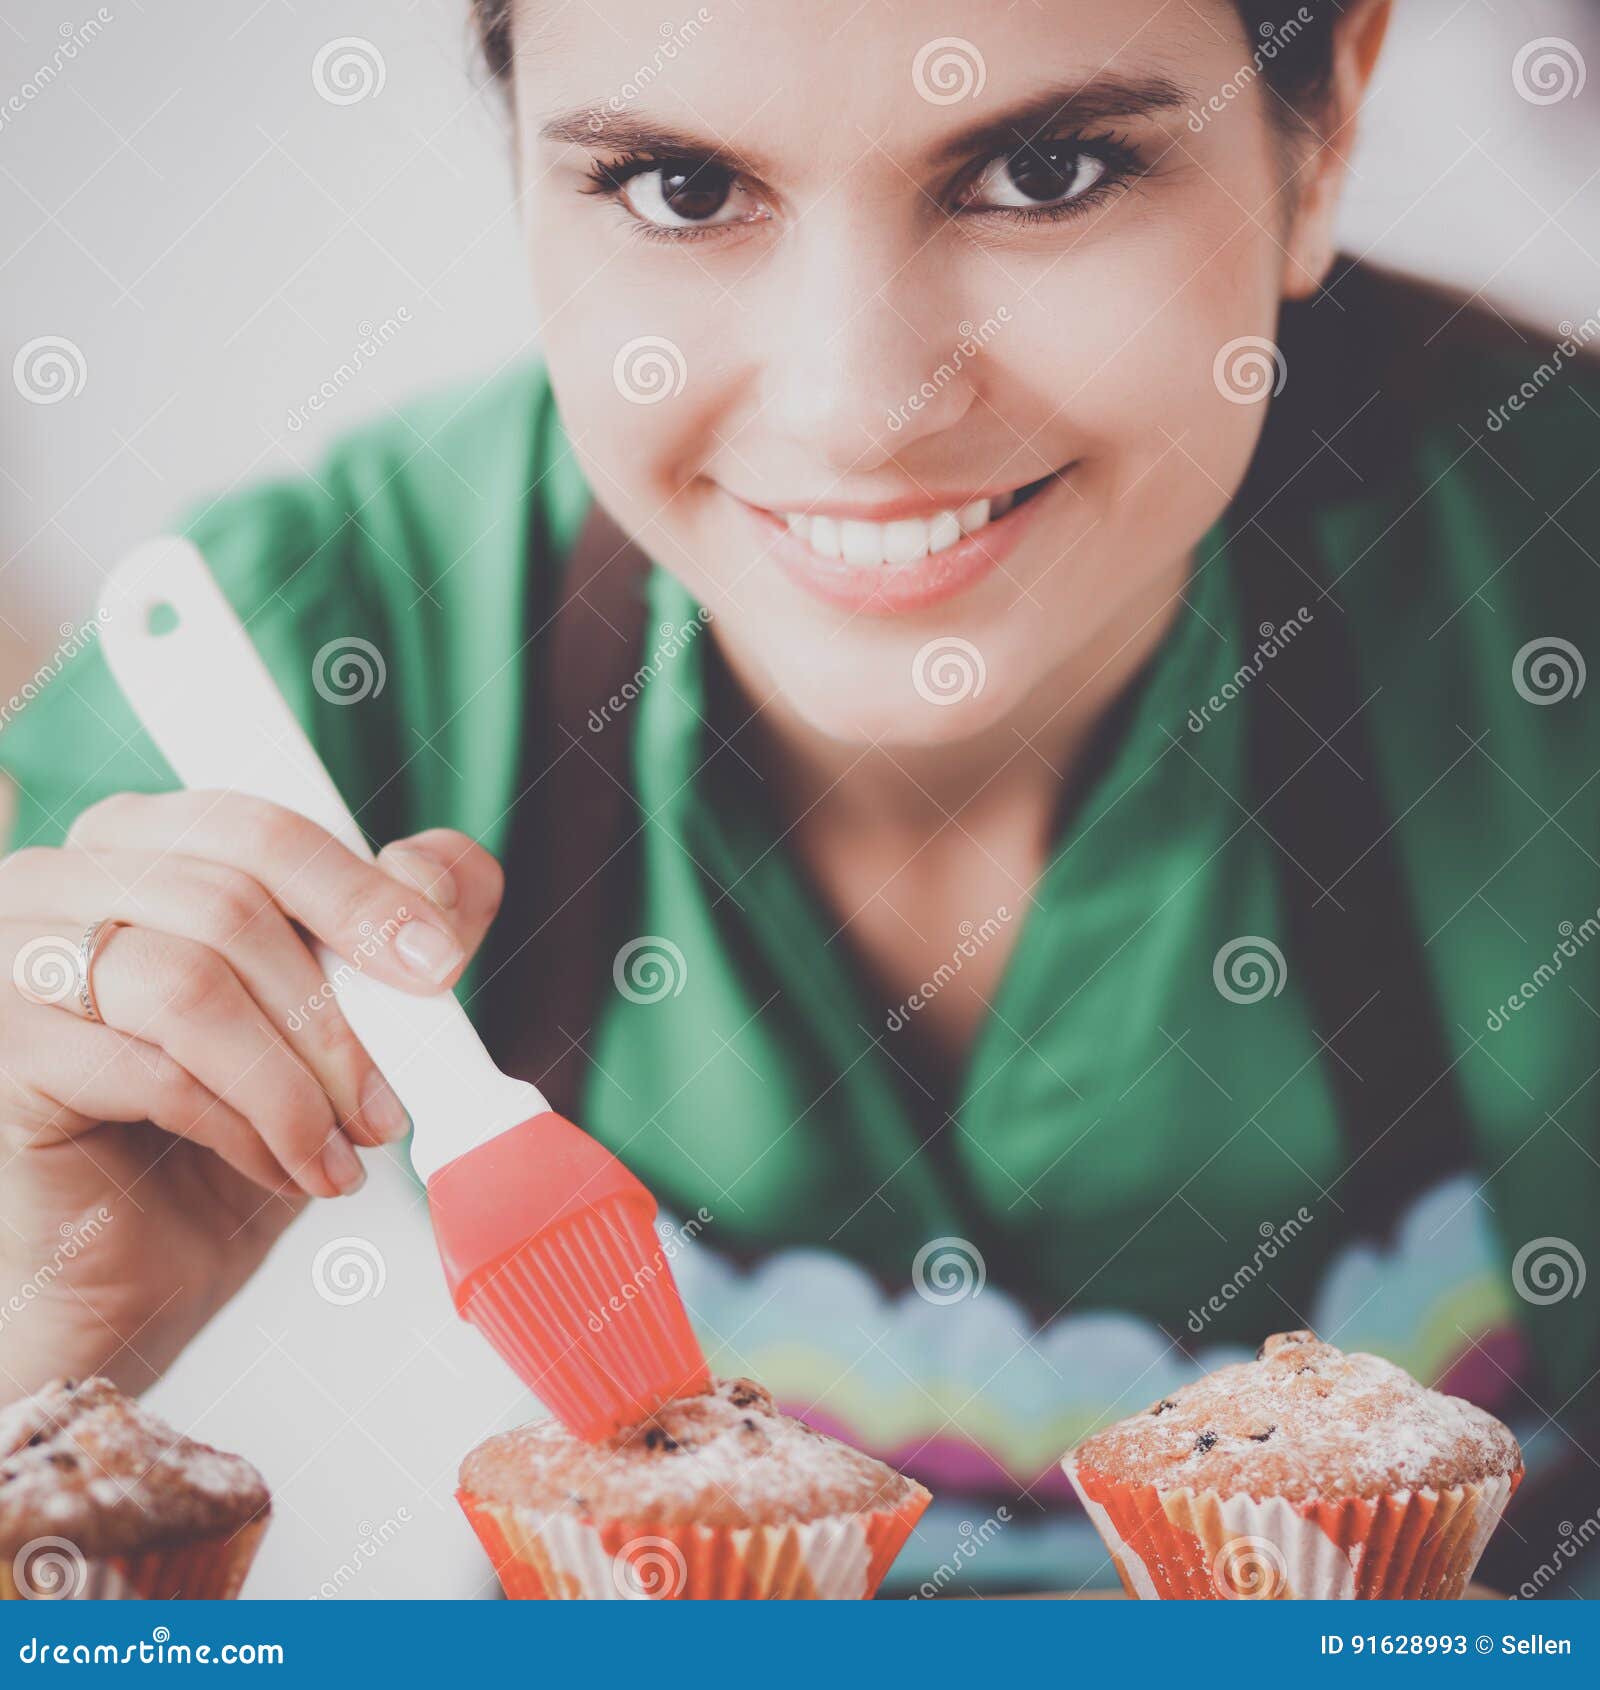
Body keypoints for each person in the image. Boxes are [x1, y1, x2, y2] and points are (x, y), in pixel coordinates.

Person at [1, 0, 1596, 1596]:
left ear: (1316, 137)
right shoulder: (276, 674)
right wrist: (45, 1316)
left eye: (1048, 169)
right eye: (679, 187)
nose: (858, 406)